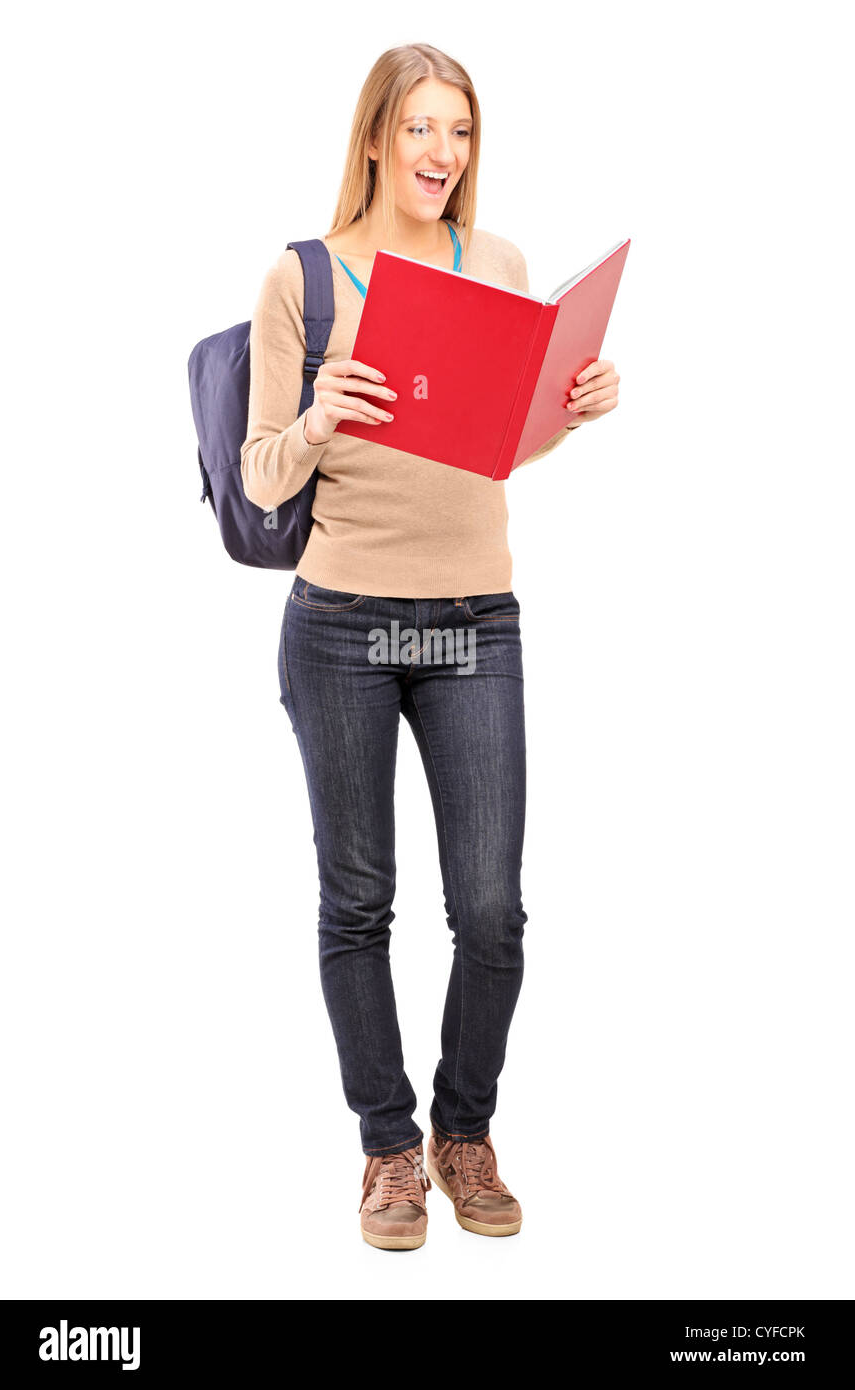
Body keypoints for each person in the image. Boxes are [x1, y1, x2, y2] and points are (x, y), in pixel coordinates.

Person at [240, 43, 620, 1251]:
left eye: (457, 131)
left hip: (475, 622)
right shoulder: (305, 278)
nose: (439, 154)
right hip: (342, 622)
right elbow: (256, 477)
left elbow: (491, 448)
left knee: (493, 908)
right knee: (359, 902)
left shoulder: (495, 265)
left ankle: (465, 1131)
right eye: (417, 129)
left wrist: (564, 410)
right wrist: (315, 417)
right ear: (372, 140)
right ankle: (390, 1152)